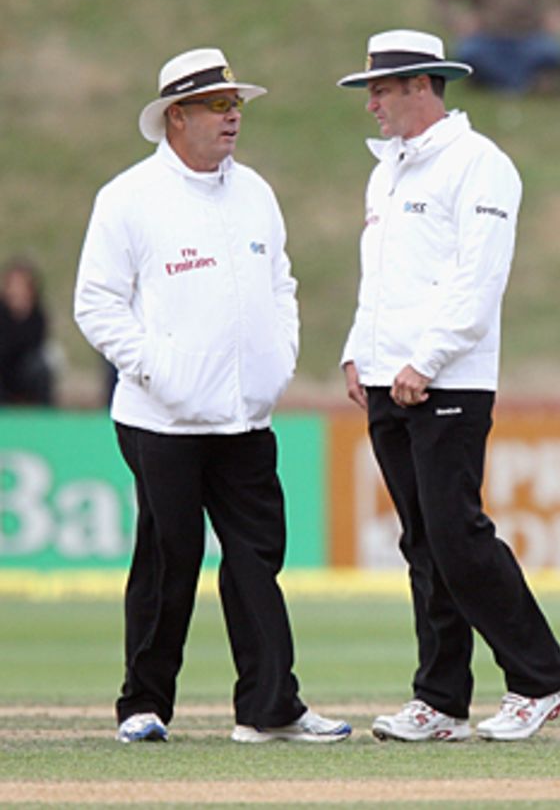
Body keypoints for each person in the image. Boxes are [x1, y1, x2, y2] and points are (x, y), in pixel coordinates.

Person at [74, 47, 351, 746]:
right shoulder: (129, 197)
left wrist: (277, 360)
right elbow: (96, 305)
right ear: (177, 117)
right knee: (171, 554)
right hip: (161, 418)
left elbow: (281, 283)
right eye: (217, 107)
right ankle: (143, 702)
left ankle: (269, 707)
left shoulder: (254, 190)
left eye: (236, 106)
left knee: (259, 554)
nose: (232, 118)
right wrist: (158, 370)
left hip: (245, 416)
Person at [337, 29, 560, 743]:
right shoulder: (385, 173)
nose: (371, 103)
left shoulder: (480, 164)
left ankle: (541, 679)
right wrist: (359, 351)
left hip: (446, 379)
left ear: (421, 86)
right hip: (387, 379)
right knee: (421, 542)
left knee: (457, 535)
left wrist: (427, 359)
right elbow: (380, 278)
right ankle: (440, 698)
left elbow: (479, 277)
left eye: (380, 89)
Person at [0, 257, 55, 405]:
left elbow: (36, 343)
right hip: (4, 366)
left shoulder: (37, 315)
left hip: (26, 367)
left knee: (42, 366)